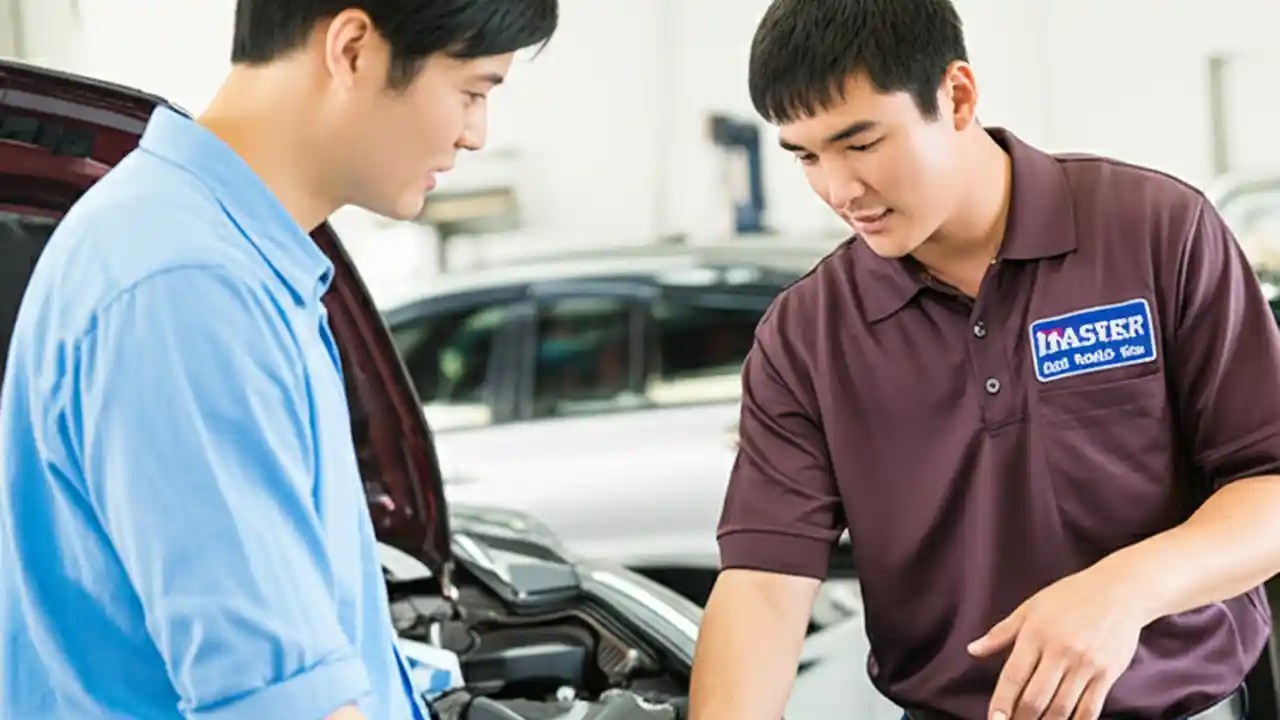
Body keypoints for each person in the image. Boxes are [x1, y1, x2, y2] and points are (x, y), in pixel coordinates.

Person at [689, 1, 1280, 719]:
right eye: (807, 156)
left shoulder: (1155, 232)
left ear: (957, 96)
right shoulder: (807, 335)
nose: (839, 190)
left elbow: (1269, 484)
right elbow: (762, 585)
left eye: (862, 143)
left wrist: (1123, 589)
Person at [0, 1, 555, 718]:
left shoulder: (214, 253)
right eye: (472, 92)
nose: (475, 134)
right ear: (353, 48)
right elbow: (279, 703)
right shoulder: (188, 286)